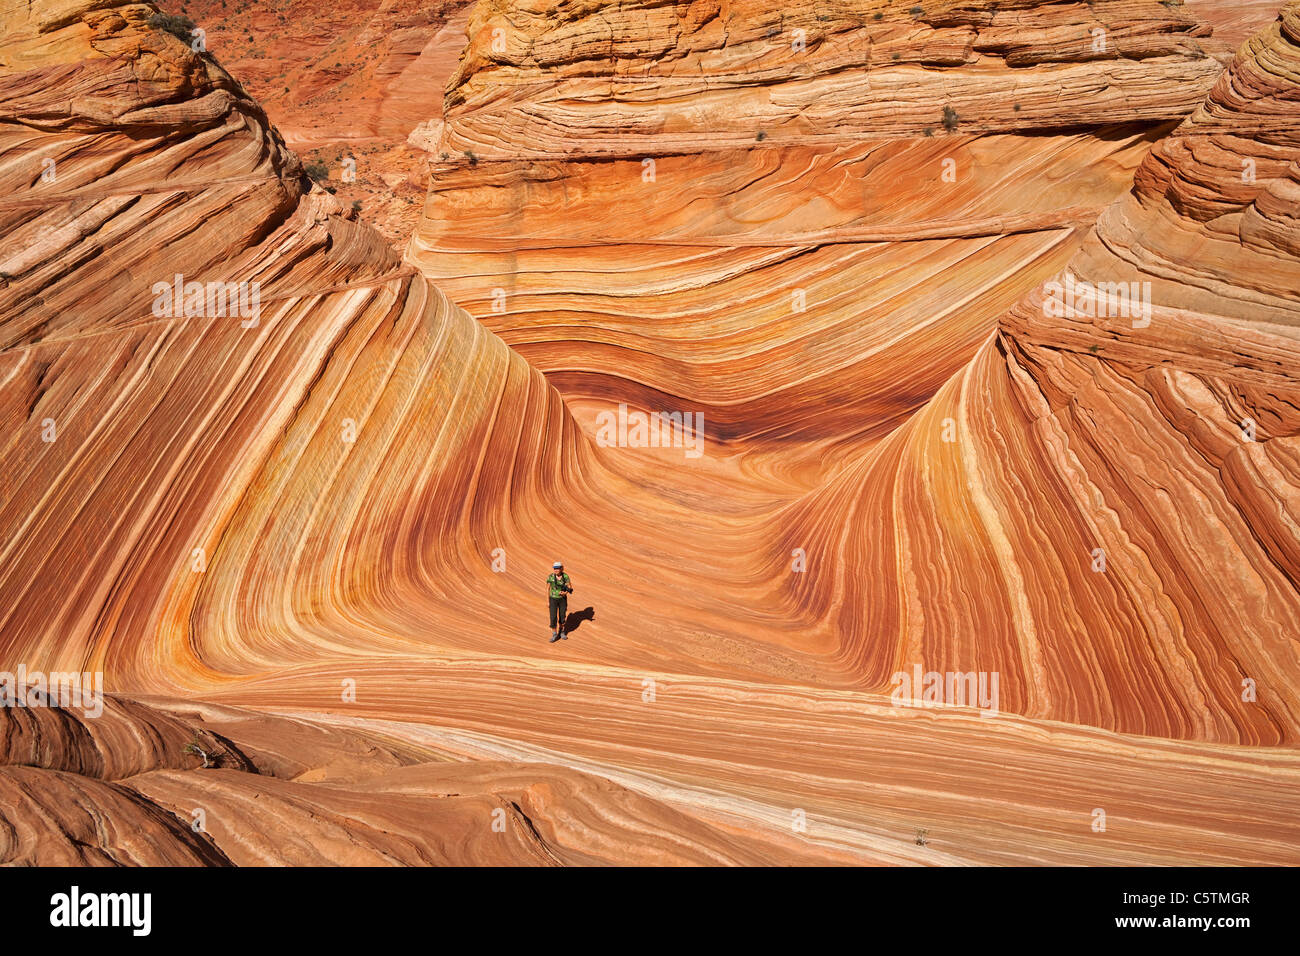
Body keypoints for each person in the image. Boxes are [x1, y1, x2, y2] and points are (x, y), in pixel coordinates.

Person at [547, 561, 573, 642]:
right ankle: (554, 634)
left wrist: (565, 592)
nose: (556, 570)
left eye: (558, 568)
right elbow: (547, 589)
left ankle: (561, 632)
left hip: (562, 599)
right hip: (553, 599)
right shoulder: (551, 577)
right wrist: (547, 601)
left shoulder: (565, 576)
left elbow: (570, 587)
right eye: (555, 568)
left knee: (562, 616)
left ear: (561, 568)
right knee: (553, 617)